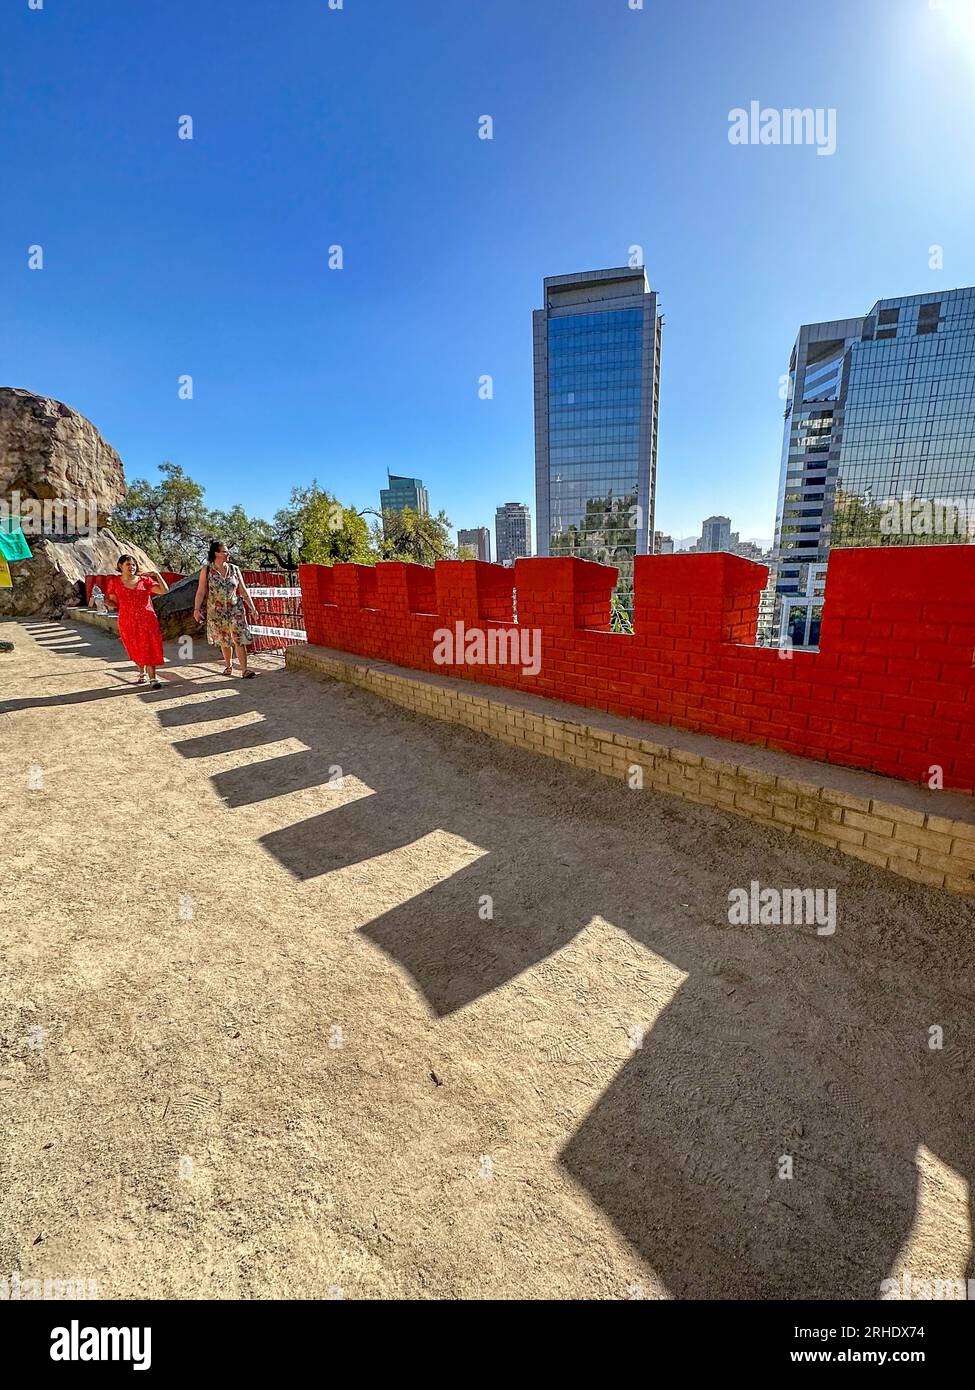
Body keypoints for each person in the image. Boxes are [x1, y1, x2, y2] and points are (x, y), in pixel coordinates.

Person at [193, 540, 260, 677]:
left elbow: (243, 590)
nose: (227, 553)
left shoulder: (234, 569)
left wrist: (252, 607)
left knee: (238, 638)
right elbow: (201, 591)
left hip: (235, 609)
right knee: (224, 640)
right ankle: (228, 665)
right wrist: (196, 609)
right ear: (216, 553)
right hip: (217, 611)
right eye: (224, 551)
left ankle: (244, 670)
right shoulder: (206, 570)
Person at [105, 556, 169, 688]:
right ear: (120, 565)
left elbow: (164, 591)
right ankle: (142, 672)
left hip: (147, 619)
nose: (131, 567)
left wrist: (157, 575)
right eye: (128, 564)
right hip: (127, 620)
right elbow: (114, 602)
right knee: (136, 648)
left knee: (150, 646)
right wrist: (105, 602)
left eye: (134, 565)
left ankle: (153, 678)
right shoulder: (114, 582)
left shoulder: (145, 580)